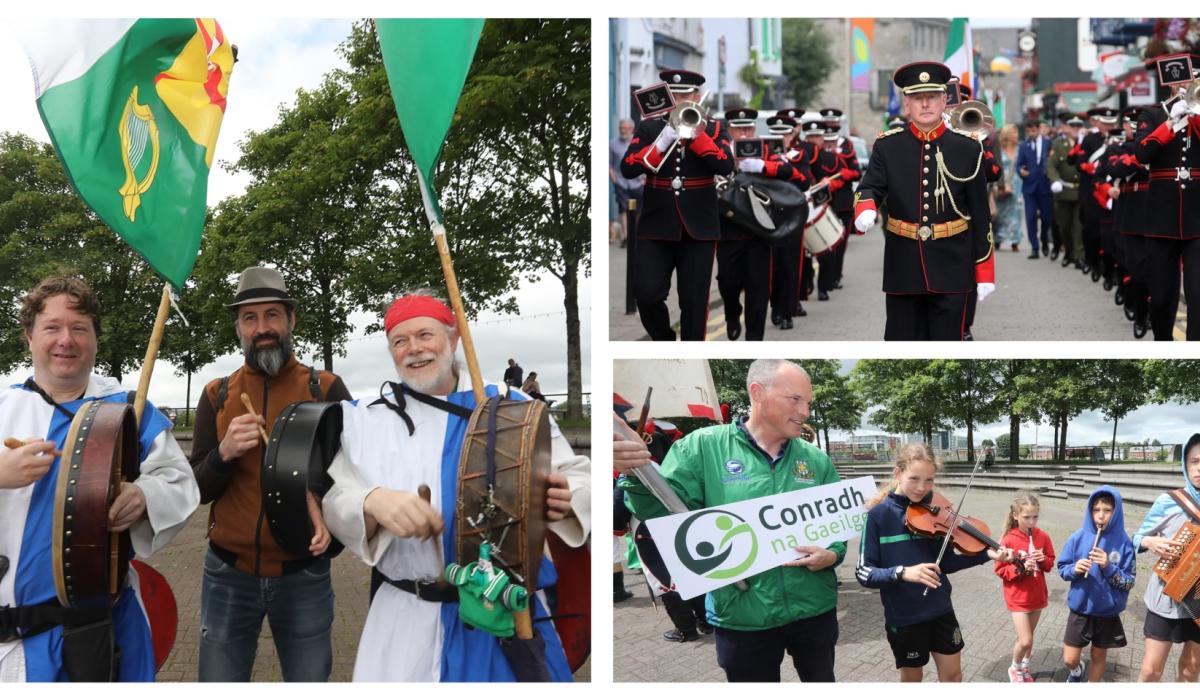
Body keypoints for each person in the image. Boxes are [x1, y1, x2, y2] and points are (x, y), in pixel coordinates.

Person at [320, 290, 591, 681]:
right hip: (408, 619)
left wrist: (568, 496)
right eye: (400, 341)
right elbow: (334, 498)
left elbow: (580, 476)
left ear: (453, 339)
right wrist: (371, 502)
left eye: (425, 335)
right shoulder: (365, 420)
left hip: (509, 613)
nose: (413, 349)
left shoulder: (513, 405)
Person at [0, 275, 198, 681]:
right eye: (52, 327)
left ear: (95, 338)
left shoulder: (128, 410)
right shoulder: (4, 405)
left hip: (100, 633)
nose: (65, 340)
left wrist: (143, 496)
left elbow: (180, 482)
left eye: (79, 328)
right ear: (29, 336)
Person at [615, 359, 846, 682]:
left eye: (808, 402)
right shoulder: (701, 448)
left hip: (814, 611)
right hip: (741, 616)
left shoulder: (816, 460)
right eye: (795, 400)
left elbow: (836, 527)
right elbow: (661, 514)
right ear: (758, 393)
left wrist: (833, 554)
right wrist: (636, 473)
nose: (805, 411)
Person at [189, 266, 352, 682]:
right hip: (227, 575)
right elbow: (197, 490)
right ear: (239, 328)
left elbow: (355, 480)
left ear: (291, 319)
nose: (262, 328)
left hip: (304, 576)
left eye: (272, 315)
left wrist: (327, 511)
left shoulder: (326, 389)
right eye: (250, 317)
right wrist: (223, 454)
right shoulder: (216, 394)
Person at [854, 61, 994, 340]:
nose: (926, 104)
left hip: (953, 264)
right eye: (918, 98)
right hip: (903, 264)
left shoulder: (968, 148)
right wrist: (866, 208)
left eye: (932, 97)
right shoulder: (888, 145)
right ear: (907, 104)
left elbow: (980, 215)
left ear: (944, 100)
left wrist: (985, 270)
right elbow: (869, 186)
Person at [855, 443, 1014, 682]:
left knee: (952, 676)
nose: (922, 488)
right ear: (898, 474)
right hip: (905, 616)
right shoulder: (878, 516)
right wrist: (903, 572)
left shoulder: (934, 511)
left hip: (941, 609)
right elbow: (863, 572)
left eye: (929, 480)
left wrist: (985, 555)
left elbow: (947, 563)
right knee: (912, 679)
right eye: (914, 479)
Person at [621, 69, 735, 341]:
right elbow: (627, 168)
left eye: (685, 95)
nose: (679, 101)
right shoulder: (650, 127)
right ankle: (665, 341)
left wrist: (696, 136)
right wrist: (662, 142)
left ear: (697, 96)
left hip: (699, 226)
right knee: (646, 295)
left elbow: (725, 165)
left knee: (695, 304)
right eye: (674, 96)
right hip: (656, 224)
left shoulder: (715, 127)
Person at [1134, 56, 1200, 340]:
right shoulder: (1152, 115)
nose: (1188, 83)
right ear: (1171, 81)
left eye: (1194, 77)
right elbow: (1142, 154)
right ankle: (1163, 342)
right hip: (1161, 216)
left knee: (1198, 294)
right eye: (1184, 78)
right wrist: (1172, 121)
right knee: (1161, 295)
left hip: (1198, 216)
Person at [1131, 432, 1200, 682]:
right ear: (1185, 464)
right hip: (1166, 598)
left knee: (1190, 672)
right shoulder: (1168, 502)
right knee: (1151, 671)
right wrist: (1149, 541)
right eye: (1195, 461)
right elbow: (1136, 538)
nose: (1199, 468)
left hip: (1199, 601)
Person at [1054, 486, 1135, 683]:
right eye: (1096, 510)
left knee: (1099, 657)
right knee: (1069, 658)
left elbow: (1129, 582)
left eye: (1107, 511)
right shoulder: (1078, 537)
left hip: (1107, 612)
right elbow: (1063, 569)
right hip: (1081, 609)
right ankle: (1076, 670)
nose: (1101, 516)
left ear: (1116, 513)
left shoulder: (1124, 542)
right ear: (1090, 511)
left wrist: (1108, 566)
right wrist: (1075, 569)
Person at [994, 491, 1055, 682]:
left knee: (1029, 636)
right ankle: (1014, 667)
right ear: (1015, 515)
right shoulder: (1008, 539)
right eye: (1026, 517)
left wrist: (1042, 558)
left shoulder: (1042, 536)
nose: (1031, 522)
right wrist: (1020, 570)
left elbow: (1050, 564)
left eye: (1035, 517)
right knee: (1025, 639)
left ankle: (1024, 667)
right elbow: (1000, 569)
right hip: (1018, 597)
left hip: (1037, 594)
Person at [1048, 114, 1085, 267]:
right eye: (1073, 126)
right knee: (1064, 226)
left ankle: (1079, 256)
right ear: (1067, 128)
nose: (1076, 129)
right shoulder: (1058, 144)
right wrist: (1055, 180)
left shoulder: (1085, 143)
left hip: (1081, 191)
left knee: (1078, 226)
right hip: (1064, 191)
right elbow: (1051, 165)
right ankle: (1068, 251)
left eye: (1078, 126)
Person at [1017, 119, 1055, 259]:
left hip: (1045, 186)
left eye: (1033, 129)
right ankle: (1035, 247)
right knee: (1030, 217)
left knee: (1046, 218)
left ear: (1039, 129)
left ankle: (1044, 239)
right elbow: (1019, 165)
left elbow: (1052, 161)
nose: (1031, 132)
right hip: (1029, 187)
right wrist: (1021, 171)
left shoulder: (1048, 143)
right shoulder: (1023, 146)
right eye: (1028, 130)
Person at [610, 118, 644, 246]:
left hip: (638, 182)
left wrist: (645, 177)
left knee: (639, 209)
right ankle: (625, 237)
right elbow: (609, 164)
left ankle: (636, 235)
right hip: (621, 182)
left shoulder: (639, 143)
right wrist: (613, 178)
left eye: (626, 128)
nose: (623, 131)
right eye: (621, 128)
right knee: (623, 209)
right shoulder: (612, 144)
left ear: (631, 129)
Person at [993, 125, 1025, 252]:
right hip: (1002, 182)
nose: (1016, 135)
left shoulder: (1020, 149)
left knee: (1017, 211)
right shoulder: (999, 149)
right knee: (1000, 212)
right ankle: (997, 239)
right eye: (1013, 132)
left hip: (1017, 183)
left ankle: (1015, 241)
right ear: (1007, 134)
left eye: (1016, 132)